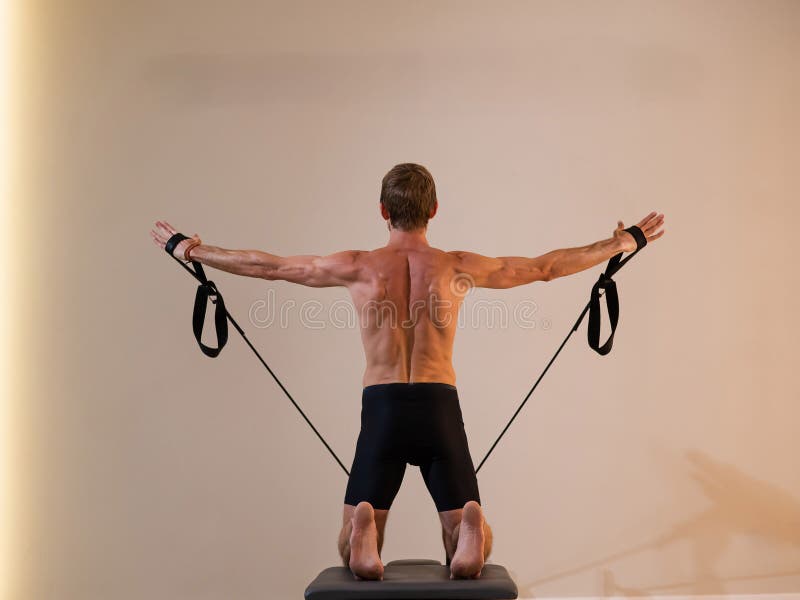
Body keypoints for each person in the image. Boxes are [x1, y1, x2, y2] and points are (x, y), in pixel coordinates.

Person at [150, 163, 665, 581]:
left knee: (351, 534)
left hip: (383, 409)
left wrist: (191, 250)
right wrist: (622, 243)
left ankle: (364, 535)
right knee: (465, 531)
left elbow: (273, 266)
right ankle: (469, 537)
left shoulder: (356, 264)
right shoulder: (458, 264)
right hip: (440, 407)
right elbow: (543, 266)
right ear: (434, 210)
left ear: (382, 211)